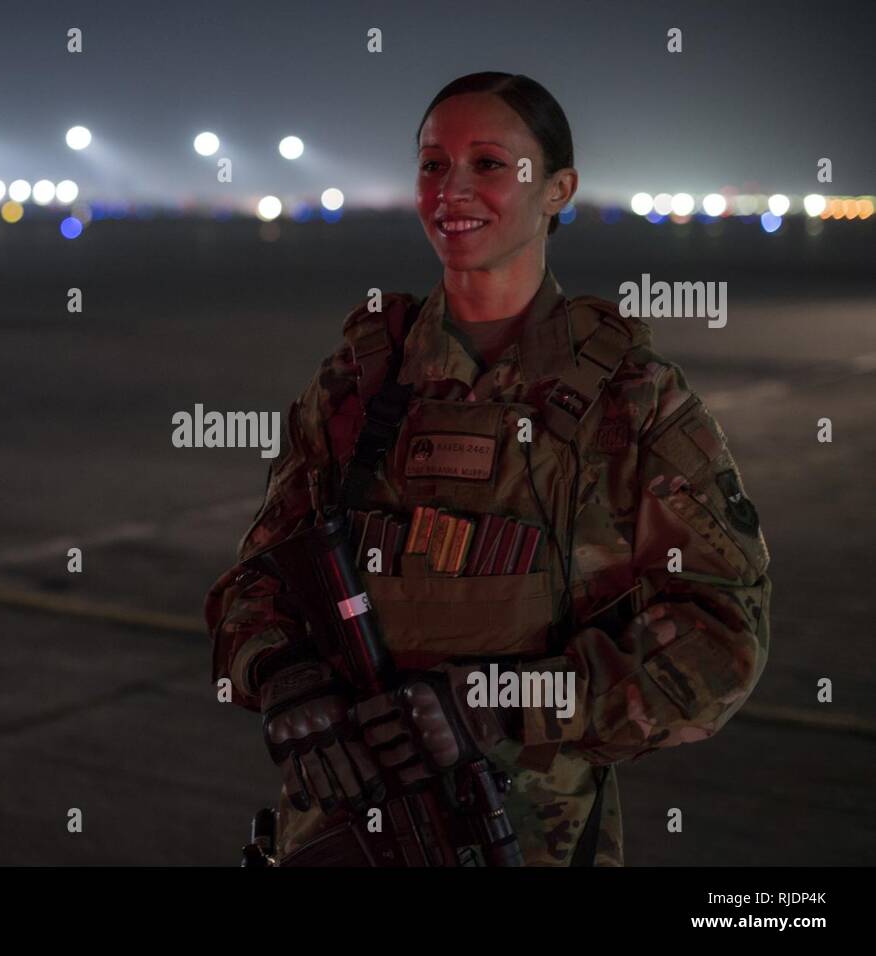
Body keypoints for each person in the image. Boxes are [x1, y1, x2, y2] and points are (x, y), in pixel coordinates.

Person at [204, 72, 771, 866]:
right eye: (433, 164)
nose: (452, 190)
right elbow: (254, 583)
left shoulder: (632, 402)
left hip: (516, 838)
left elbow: (723, 642)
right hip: (341, 834)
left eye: (490, 164)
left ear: (558, 189)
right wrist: (282, 673)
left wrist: (499, 705)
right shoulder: (359, 385)